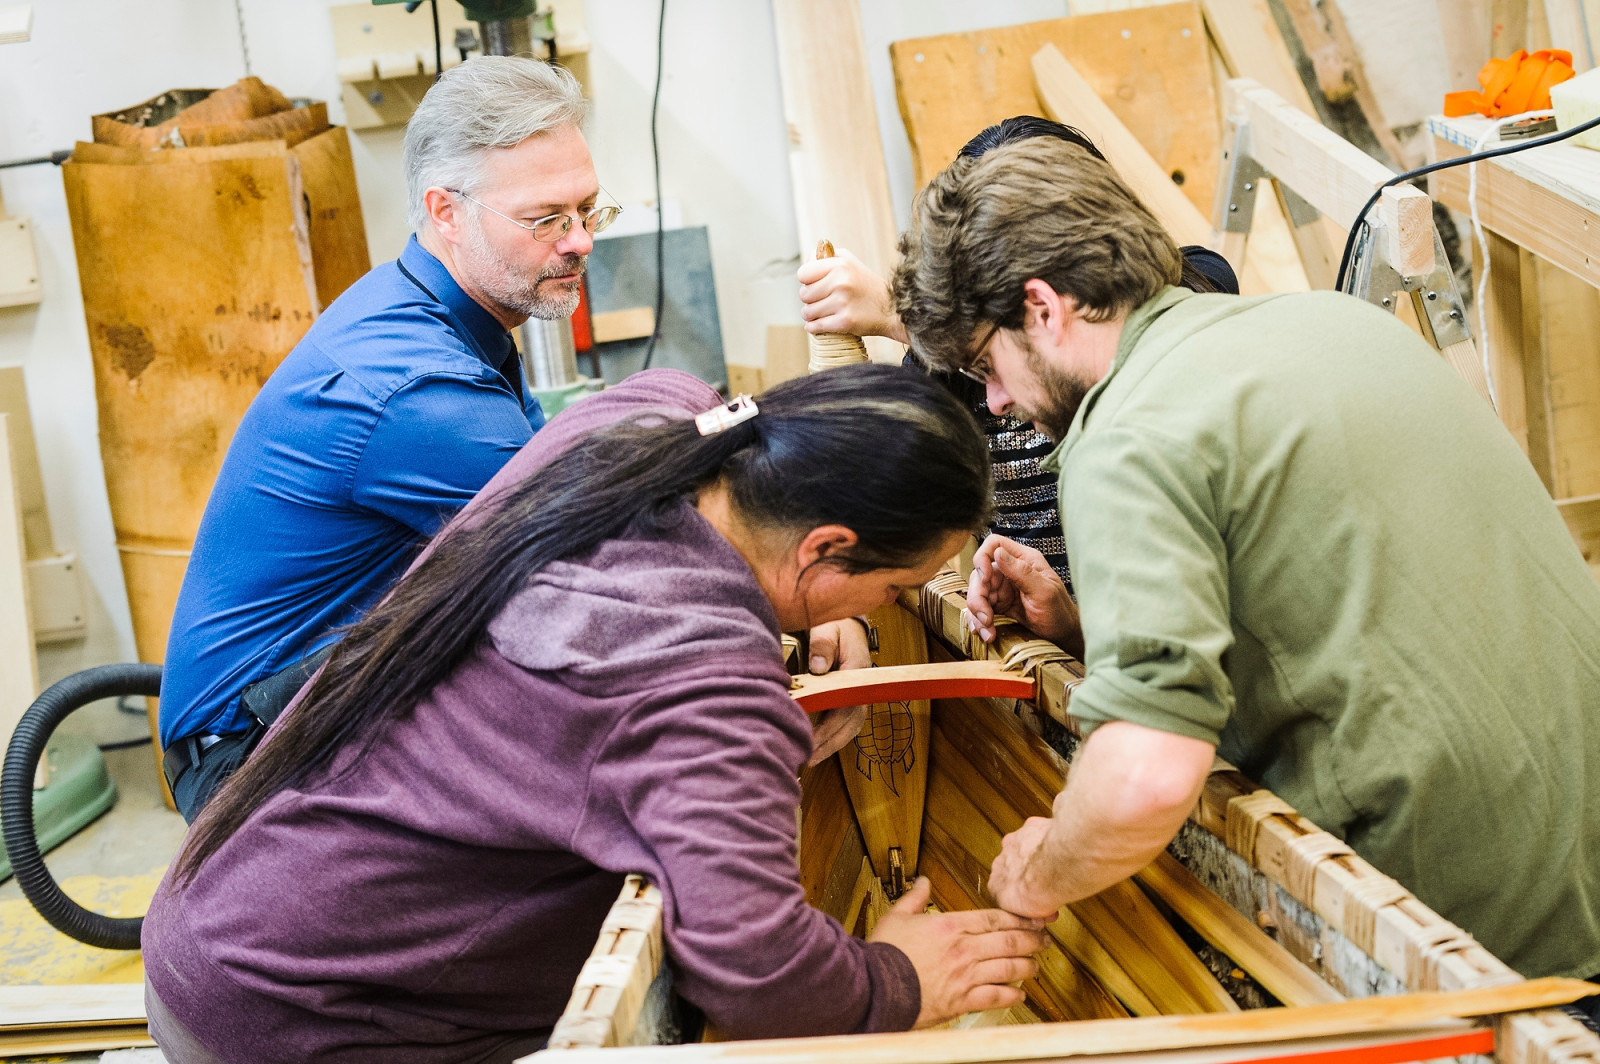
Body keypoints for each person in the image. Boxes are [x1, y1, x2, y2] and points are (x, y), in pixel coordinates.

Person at [140, 365, 1050, 1064]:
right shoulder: (702, 680)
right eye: (889, 589)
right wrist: (896, 981)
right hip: (298, 1018)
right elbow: (762, 980)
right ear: (824, 549)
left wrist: (799, 621)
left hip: (220, 901)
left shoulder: (658, 419)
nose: (880, 610)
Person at [890, 135, 1600, 983]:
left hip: (1487, 954)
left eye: (986, 365)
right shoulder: (1333, 322)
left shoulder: (1125, 436)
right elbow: (1327, 609)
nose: (997, 400)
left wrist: (1037, 873)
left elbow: (1147, 780)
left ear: (1042, 308)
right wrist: (1081, 631)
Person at [157, 57, 612, 821]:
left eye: (589, 210)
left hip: (327, 693)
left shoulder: (440, 318)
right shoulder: (415, 387)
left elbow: (570, 486)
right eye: (545, 219)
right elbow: (599, 559)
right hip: (254, 760)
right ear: (446, 212)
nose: (580, 241)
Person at [799, 116, 1236, 590]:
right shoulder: (949, 370)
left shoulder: (1194, 287)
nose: (997, 398)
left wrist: (898, 314)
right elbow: (884, 496)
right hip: (1039, 626)